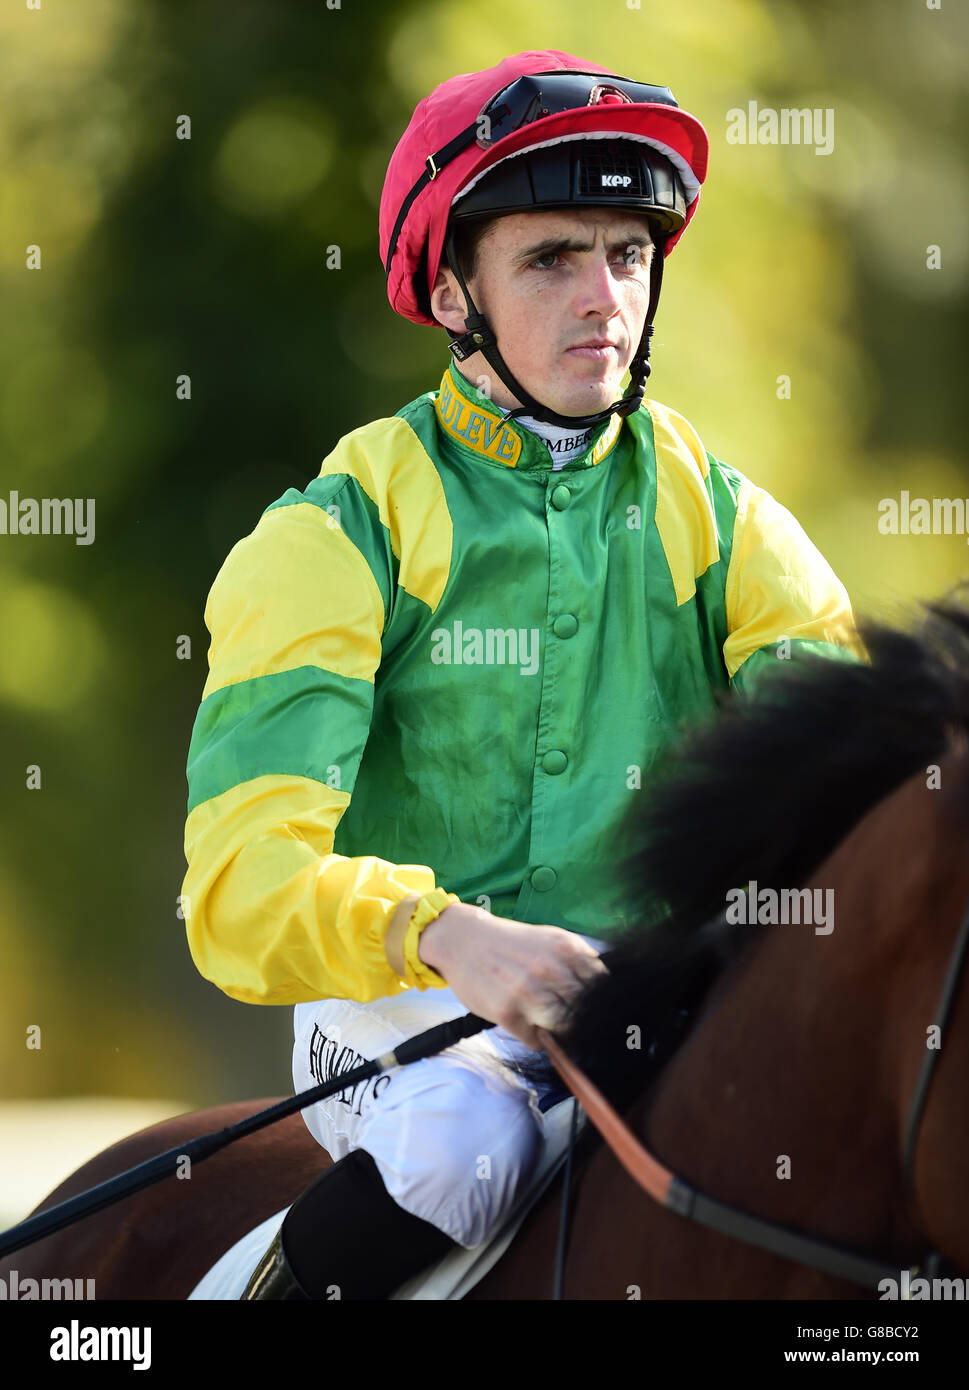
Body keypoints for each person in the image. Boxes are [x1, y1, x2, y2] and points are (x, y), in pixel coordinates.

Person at [180, 49, 862, 1300]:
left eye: (628, 254)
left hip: (652, 993)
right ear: (452, 293)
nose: (605, 297)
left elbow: (850, 797)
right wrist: (444, 935)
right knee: (464, 1142)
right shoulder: (338, 533)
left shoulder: (728, 518)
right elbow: (237, 892)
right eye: (552, 259)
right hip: (398, 1010)